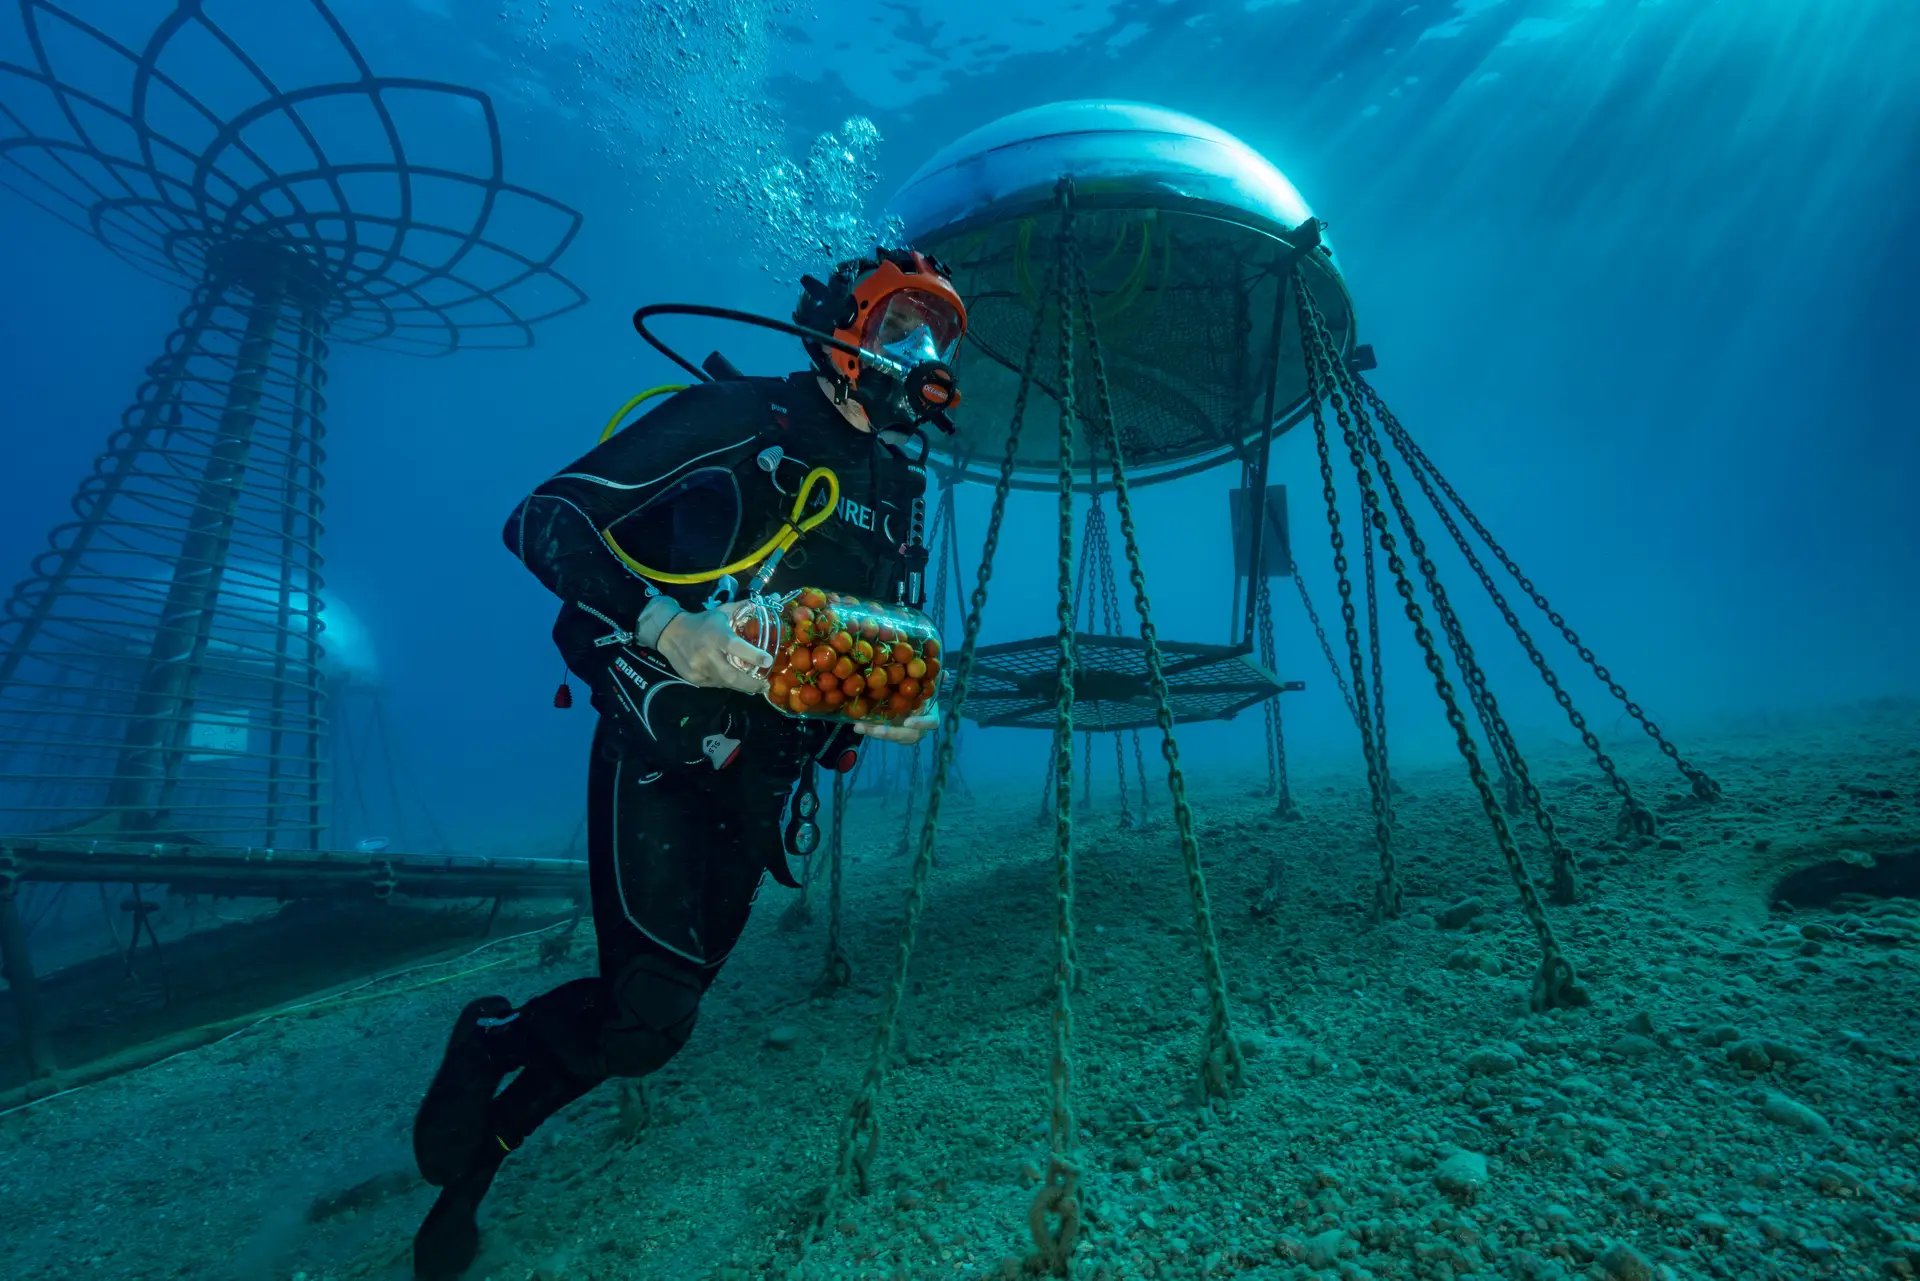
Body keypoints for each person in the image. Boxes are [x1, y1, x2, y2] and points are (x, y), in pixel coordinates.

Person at [407, 247, 970, 1280]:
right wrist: (667, 626)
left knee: (655, 1024)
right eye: (900, 327)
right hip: (660, 740)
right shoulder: (750, 417)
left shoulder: (898, 484)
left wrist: (882, 701)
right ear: (843, 327)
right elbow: (543, 519)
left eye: (939, 337)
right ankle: (487, 1063)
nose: (923, 356)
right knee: (652, 1008)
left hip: (768, 773)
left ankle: (486, 1126)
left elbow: (858, 630)